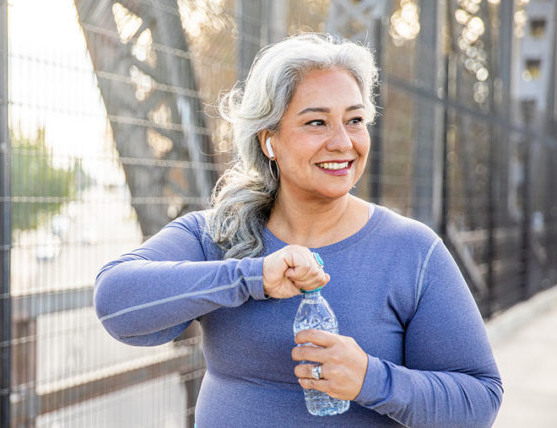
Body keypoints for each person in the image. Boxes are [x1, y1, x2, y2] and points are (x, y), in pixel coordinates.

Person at [94, 33, 503, 427]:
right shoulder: (218, 234)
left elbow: (479, 402)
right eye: (316, 123)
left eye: (355, 120)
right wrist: (251, 277)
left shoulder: (412, 251)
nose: (343, 142)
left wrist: (371, 380)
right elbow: (115, 302)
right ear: (269, 139)